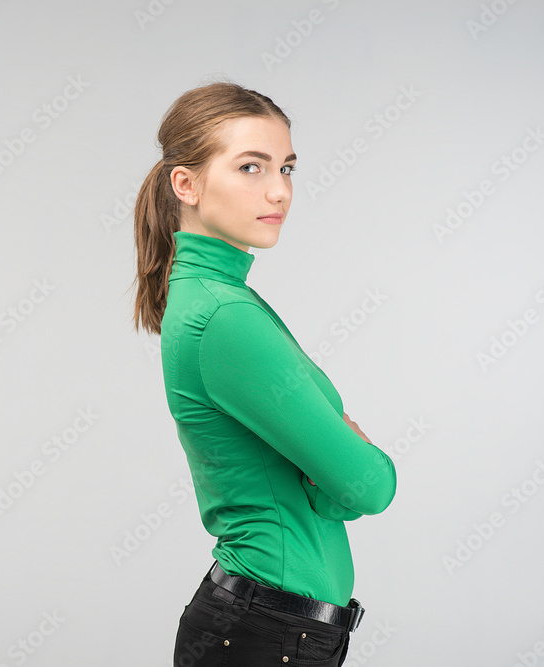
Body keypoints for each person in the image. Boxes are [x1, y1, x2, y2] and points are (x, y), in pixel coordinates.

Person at [130, 79, 397, 666]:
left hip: (269, 630)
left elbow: (342, 488)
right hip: (265, 635)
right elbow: (368, 486)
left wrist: (332, 477)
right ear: (186, 184)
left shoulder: (219, 297)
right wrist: (340, 468)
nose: (279, 190)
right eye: (251, 167)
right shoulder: (225, 316)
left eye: (287, 168)